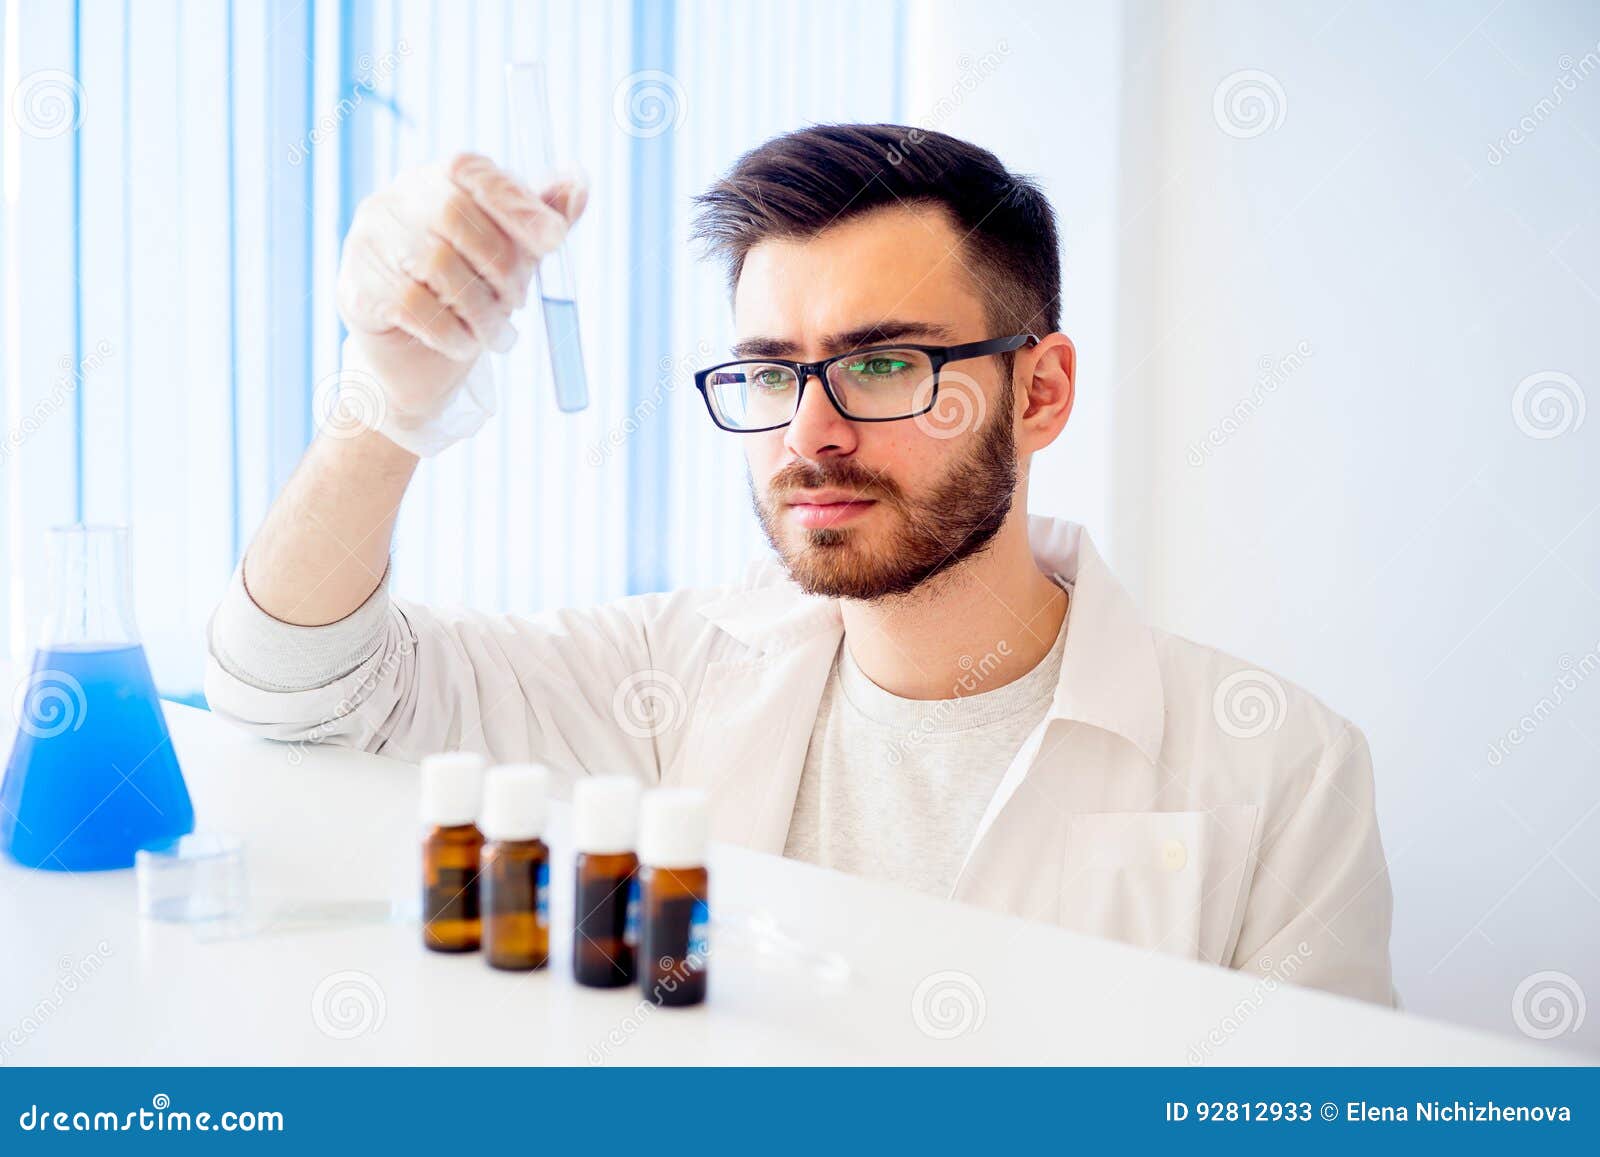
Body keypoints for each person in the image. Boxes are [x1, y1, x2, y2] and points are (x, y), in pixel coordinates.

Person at [206, 124, 1395, 1005]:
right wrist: (387, 405)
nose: (807, 434)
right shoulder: (666, 678)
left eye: (882, 367)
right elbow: (294, 689)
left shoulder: (1278, 768)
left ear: (1040, 392)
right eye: (772, 371)